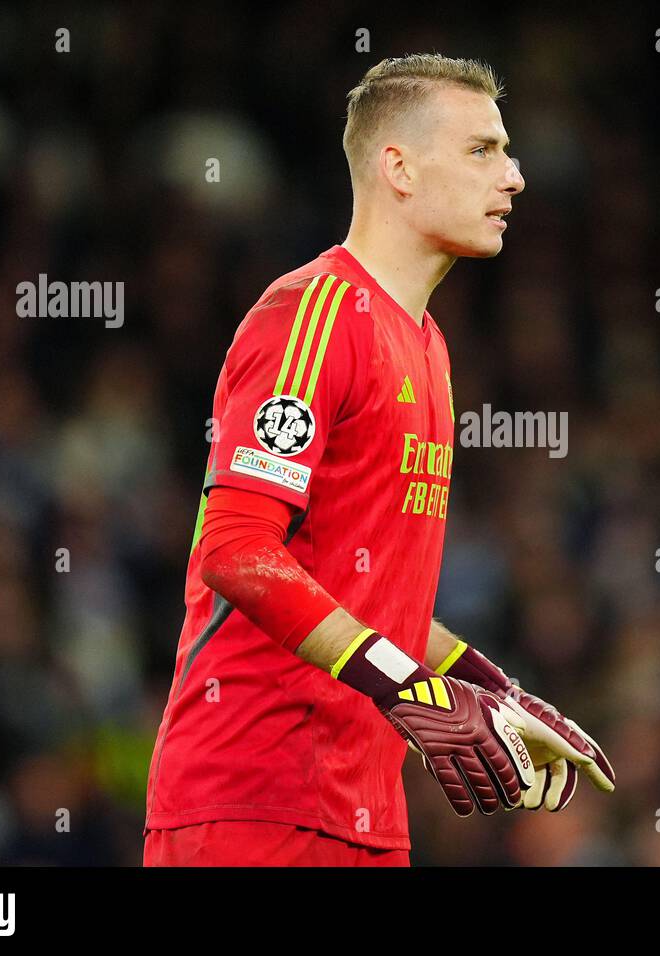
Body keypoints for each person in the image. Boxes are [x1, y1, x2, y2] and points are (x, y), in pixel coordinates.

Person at [144, 54, 614, 867]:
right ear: (397, 166)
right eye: (482, 150)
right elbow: (236, 549)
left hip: (365, 814)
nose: (515, 176)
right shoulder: (313, 314)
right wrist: (408, 689)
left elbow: (368, 594)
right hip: (250, 802)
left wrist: (495, 693)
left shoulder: (428, 347)